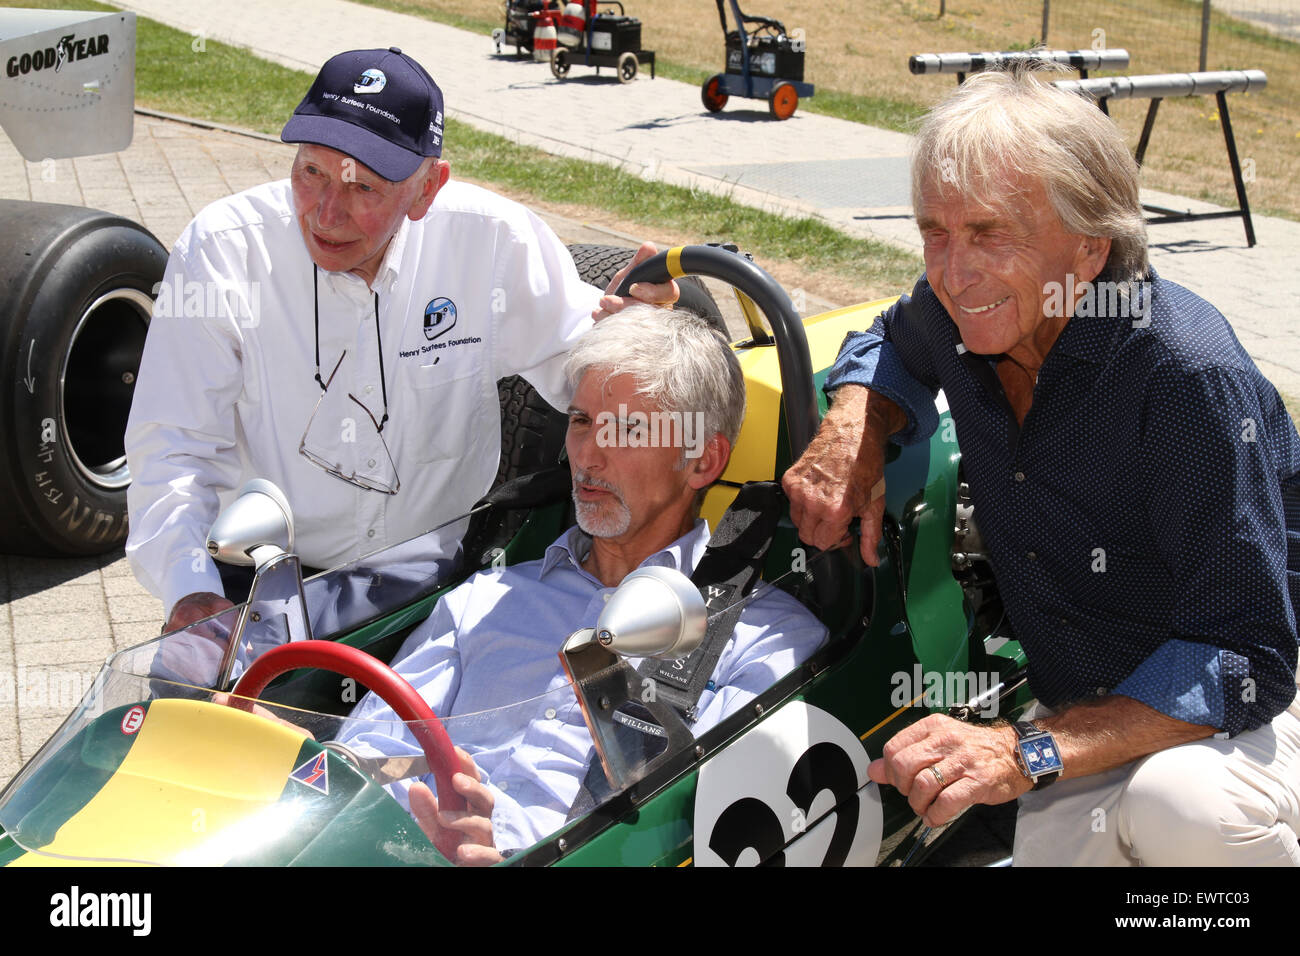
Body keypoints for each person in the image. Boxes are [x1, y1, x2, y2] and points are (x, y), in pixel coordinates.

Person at [782, 68, 1300, 865]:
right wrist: (855, 420)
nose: (954, 274)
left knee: (1184, 811)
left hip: (1252, 702)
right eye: (935, 233)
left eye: (990, 233)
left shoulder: (1185, 376)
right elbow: (893, 335)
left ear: (1090, 248)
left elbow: (1246, 656)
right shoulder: (968, 311)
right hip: (1082, 709)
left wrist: (1026, 751)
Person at [125, 47, 673, 633]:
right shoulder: (223, 249)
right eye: (311, 172)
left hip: (437, 583)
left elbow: (583, 378)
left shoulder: (493, 243)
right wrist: (189, 591)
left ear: (427, 189)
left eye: (365, 188)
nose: (327, 213)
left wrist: (642, 332)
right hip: (264, 582)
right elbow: (174, 448)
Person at [343, 305, 827, 864]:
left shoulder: (763, 639)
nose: (588, 455)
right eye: (580, 421)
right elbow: (380, 753)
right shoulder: (486, 597)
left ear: (702, 461)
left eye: (626, 428)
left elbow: (704, 829)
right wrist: (396, 809)